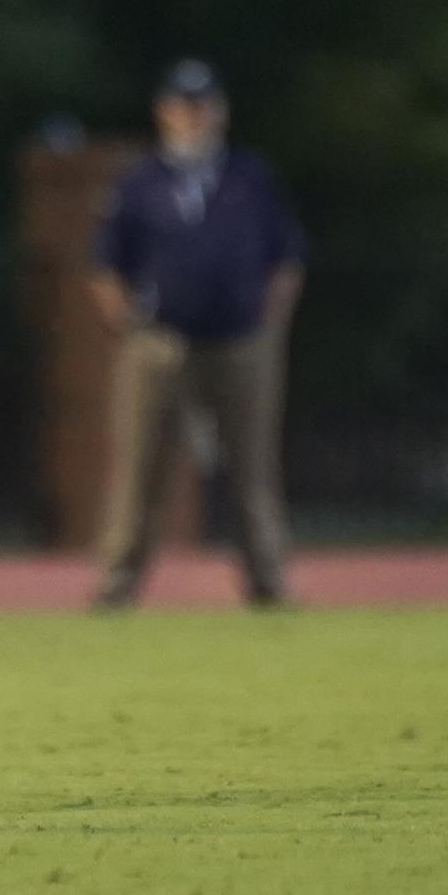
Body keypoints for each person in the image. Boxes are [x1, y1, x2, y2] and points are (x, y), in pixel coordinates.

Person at [89, 59, 305, 609]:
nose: (193, 117)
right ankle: (118, 579)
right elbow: (106, 263)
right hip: (161, 341)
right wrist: (132, 326)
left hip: (239, 340)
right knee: (139, 466)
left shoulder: (250, 177)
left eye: (203, 106)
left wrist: (267, 323)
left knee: (253, 465)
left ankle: (267, 577)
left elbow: (286, 256)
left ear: (220, 112)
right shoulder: (140, 181)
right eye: (184, 107)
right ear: (164, 112)